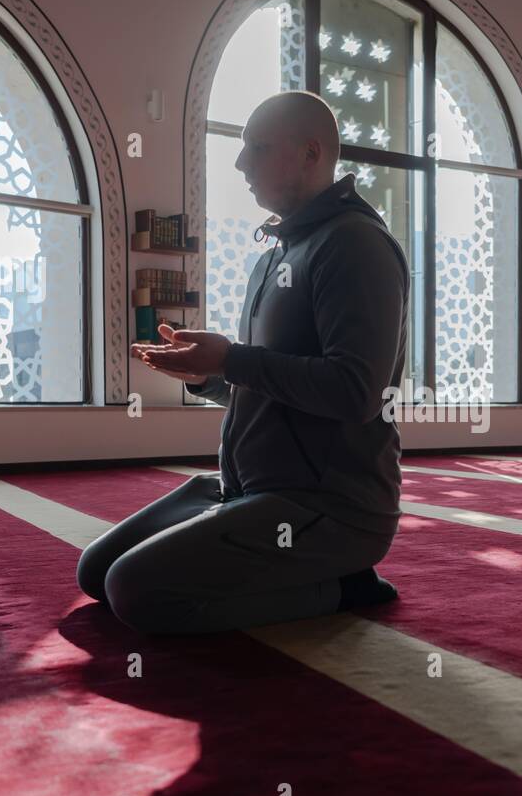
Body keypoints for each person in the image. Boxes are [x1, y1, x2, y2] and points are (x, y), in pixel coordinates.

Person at [76, 91, 408, 634]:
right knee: (96, 573)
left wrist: (233, 359)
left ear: (310, 152)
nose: (240, 163)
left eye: (257, 147)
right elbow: (276, 385)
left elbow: (355, 392)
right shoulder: (276, 253)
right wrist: (210, 376)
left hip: (330, 508)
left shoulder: (355, 246)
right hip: (246, 488)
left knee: (136, 593)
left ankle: (347, 586)